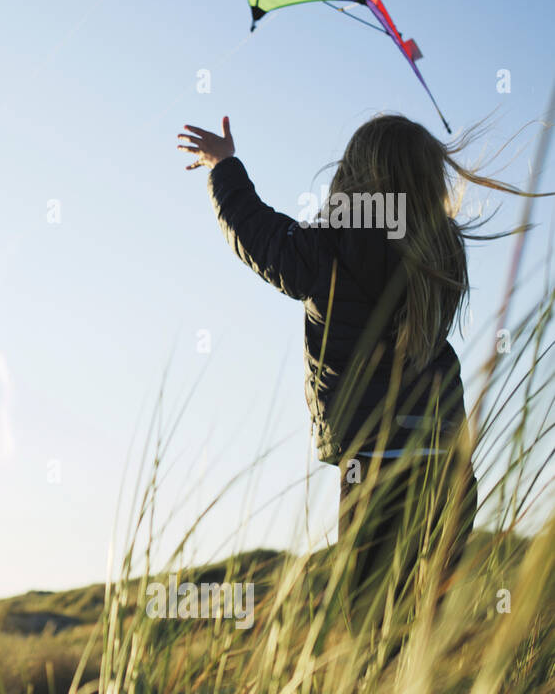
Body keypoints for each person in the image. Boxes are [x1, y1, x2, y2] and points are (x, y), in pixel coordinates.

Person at [177, 114, 546, 621]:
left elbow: (258, 234)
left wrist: (224, 167)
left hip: (376, 462)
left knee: (375, 625)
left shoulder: (332, 249)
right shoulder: (443, 248)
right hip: (449, 464)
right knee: (433, 624)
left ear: (354, 177)